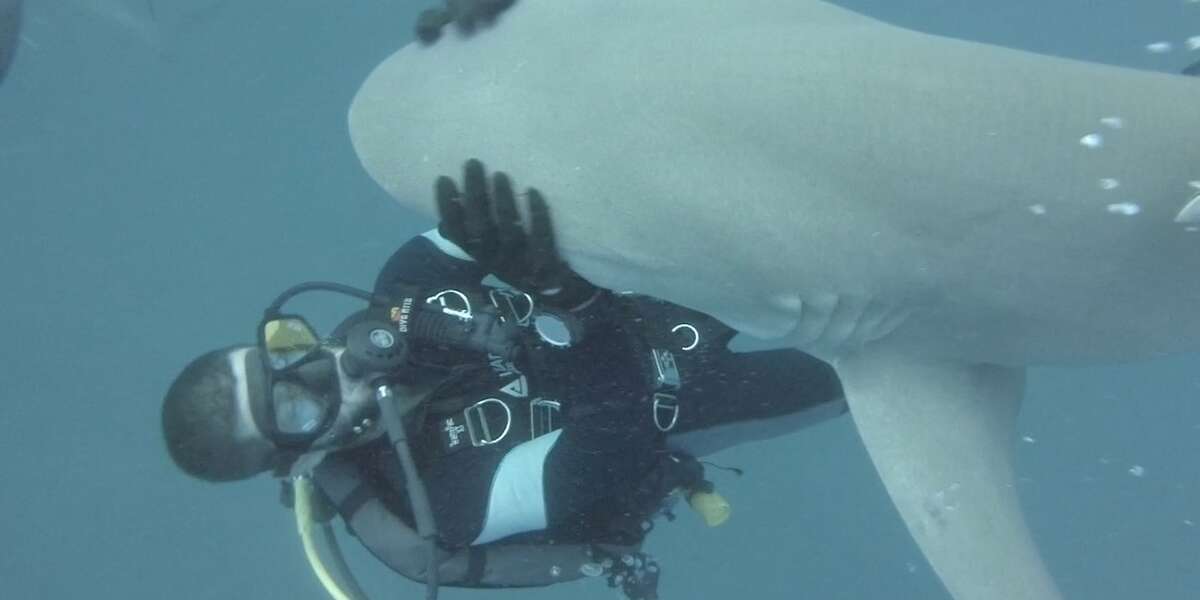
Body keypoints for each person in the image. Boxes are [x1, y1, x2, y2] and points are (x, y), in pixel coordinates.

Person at [161, 160, 846, 600]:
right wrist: (574, 305)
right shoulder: (442, 509)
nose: (314, 374)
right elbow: (615, 438)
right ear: (301, 457)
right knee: (862, 357)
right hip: (686, 404)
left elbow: (501, 207)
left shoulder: (403, 292)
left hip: (638, 294)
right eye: (293, 408)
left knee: (821, 215)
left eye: (283, 360)